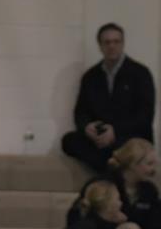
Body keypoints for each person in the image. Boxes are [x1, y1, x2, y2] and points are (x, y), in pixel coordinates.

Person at [62, 23, 156, 173]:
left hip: (128, 137)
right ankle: (108, 167)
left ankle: (105, 170)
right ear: (100, 46)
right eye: (107, 42)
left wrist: (115, 131)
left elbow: (145, 116)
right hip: (99, 138)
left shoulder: (140, 73)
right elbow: (80, 112)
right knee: (68, 140)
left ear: (123, 44)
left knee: (125, 148)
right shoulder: (90, 76)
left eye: (116, 41)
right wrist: (87, 127)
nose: (112, 46)